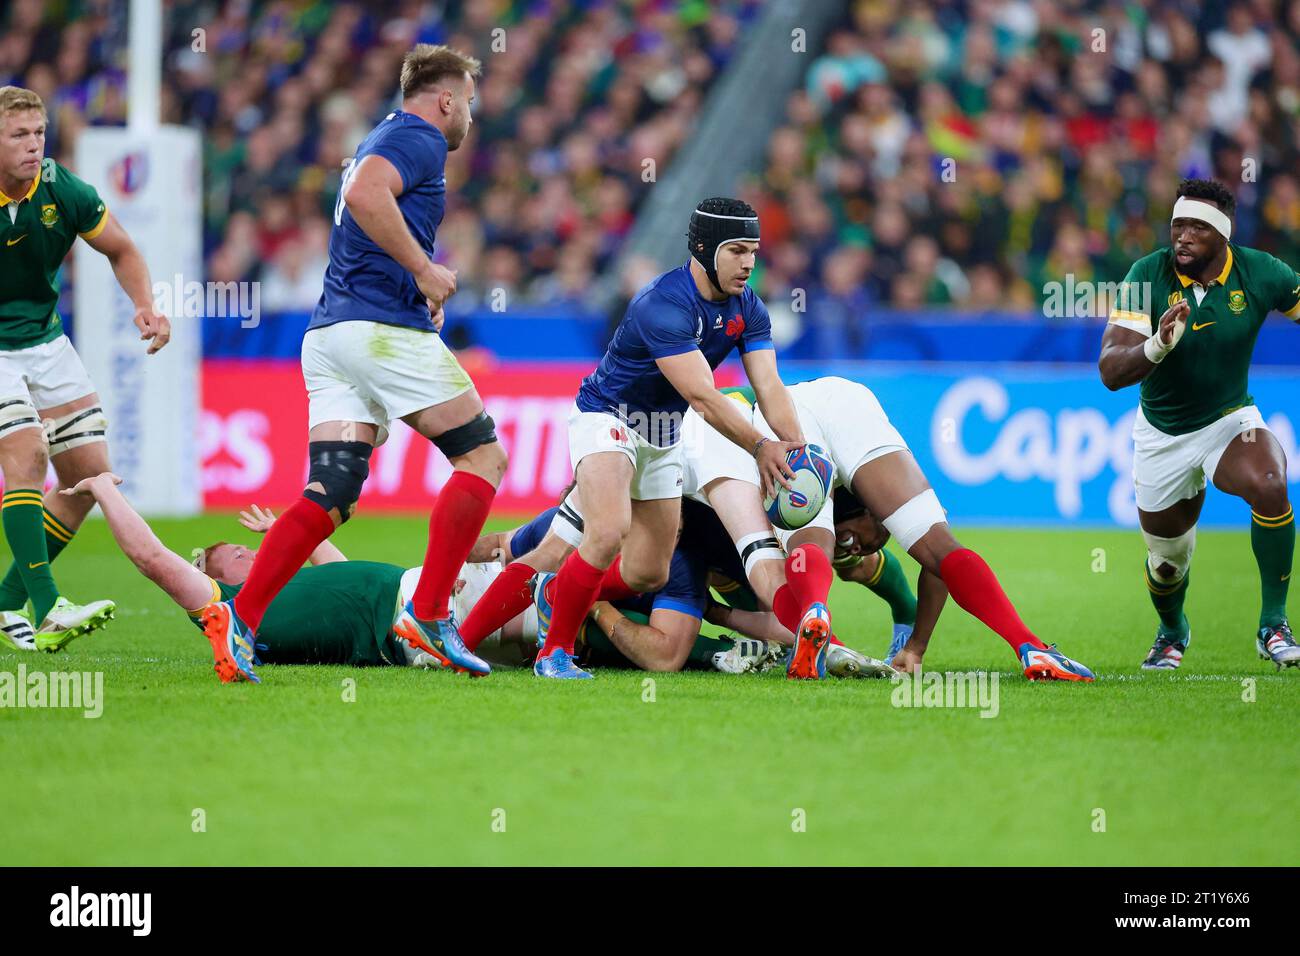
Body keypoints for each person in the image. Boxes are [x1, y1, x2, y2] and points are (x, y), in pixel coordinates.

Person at [199, 46, 507, 683]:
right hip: (378, 334)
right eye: (469, 101)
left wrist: (413, 282)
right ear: (446, 98)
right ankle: (428, 613)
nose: (469, 116)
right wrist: (423, 270)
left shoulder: (385, 136)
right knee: (482, 457)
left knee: (333, 492)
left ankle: (244, 616)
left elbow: (368, 202)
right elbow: (368, 192)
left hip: (330, 334)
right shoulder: (420, 136)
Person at [523, 197, 834, 681]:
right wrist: (759, 447)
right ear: (705, 250)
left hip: (663, 436)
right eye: (736, 250)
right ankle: (524, 641)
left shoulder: (748, 307)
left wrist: (793, 446)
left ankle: (540, 599)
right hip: (611, 420)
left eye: (753, 250)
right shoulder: (663, 303)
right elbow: (704, 397)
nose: (749, 262)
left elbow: (769, 386)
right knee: (591, 536)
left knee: (650, 570)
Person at [691, 377, 1094, 681]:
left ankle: (815, 608)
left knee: (805, 541)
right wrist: (915, 645)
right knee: (938, 544)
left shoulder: (846, 544)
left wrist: (915, 644)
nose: (854, 546)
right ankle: (1030, 647)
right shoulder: (859, 539)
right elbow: (934, 563)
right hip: (842, 400)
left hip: (772, 412)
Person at [1100, 177, 1300, 671]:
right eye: (1176, 225)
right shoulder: (1148, 275)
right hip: (1163, 434)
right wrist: (1158, 345)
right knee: (1168, 563)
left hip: (1230, 418)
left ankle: (1273, 625)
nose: (1182, 236)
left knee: (1271, 484)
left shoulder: (1260, 273)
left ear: (1222, 237)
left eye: (1196, 227)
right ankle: (1172, 631)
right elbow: (1108, 370)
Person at [60, 474, 536, 679]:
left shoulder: (285, 590)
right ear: (220, 575)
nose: (253, 552)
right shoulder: (224, 609)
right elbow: (153, 559)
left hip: (414, 614)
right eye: (241, 554)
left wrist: (296, 537)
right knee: (539, 577)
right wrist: (105, 491)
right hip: (415, 615)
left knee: (544, 613)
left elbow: (342, 576)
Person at [0, 85, 170, 652]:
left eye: (38, 133)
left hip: (46, 343)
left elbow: (122, 249)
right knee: (27, 454)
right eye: (18, 135)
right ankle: (48, 607)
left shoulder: (60, 189)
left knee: (89, 479)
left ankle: (3, 604)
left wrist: (145, 305)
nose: (32, 145)